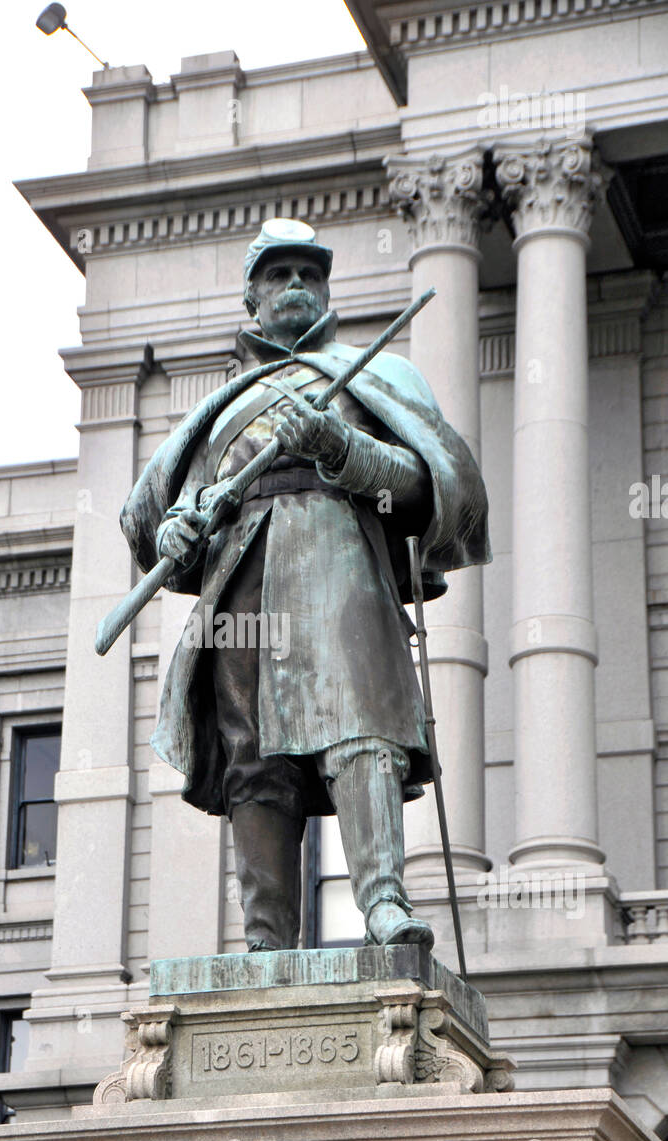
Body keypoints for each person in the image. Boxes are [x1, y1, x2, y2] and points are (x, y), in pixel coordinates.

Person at [120, 218, 490, 952]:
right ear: (251, 297)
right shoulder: (221, 407)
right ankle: (265, 940)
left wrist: (344, 449)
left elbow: (431, 488)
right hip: (243, 583)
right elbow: (171, 510)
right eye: (278, 274)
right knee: (251, 754)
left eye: (308, 274)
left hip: (338, 563)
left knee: (361, 725)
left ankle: (382, 903)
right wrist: (178, 532)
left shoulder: (375, 375)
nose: (295, 285)